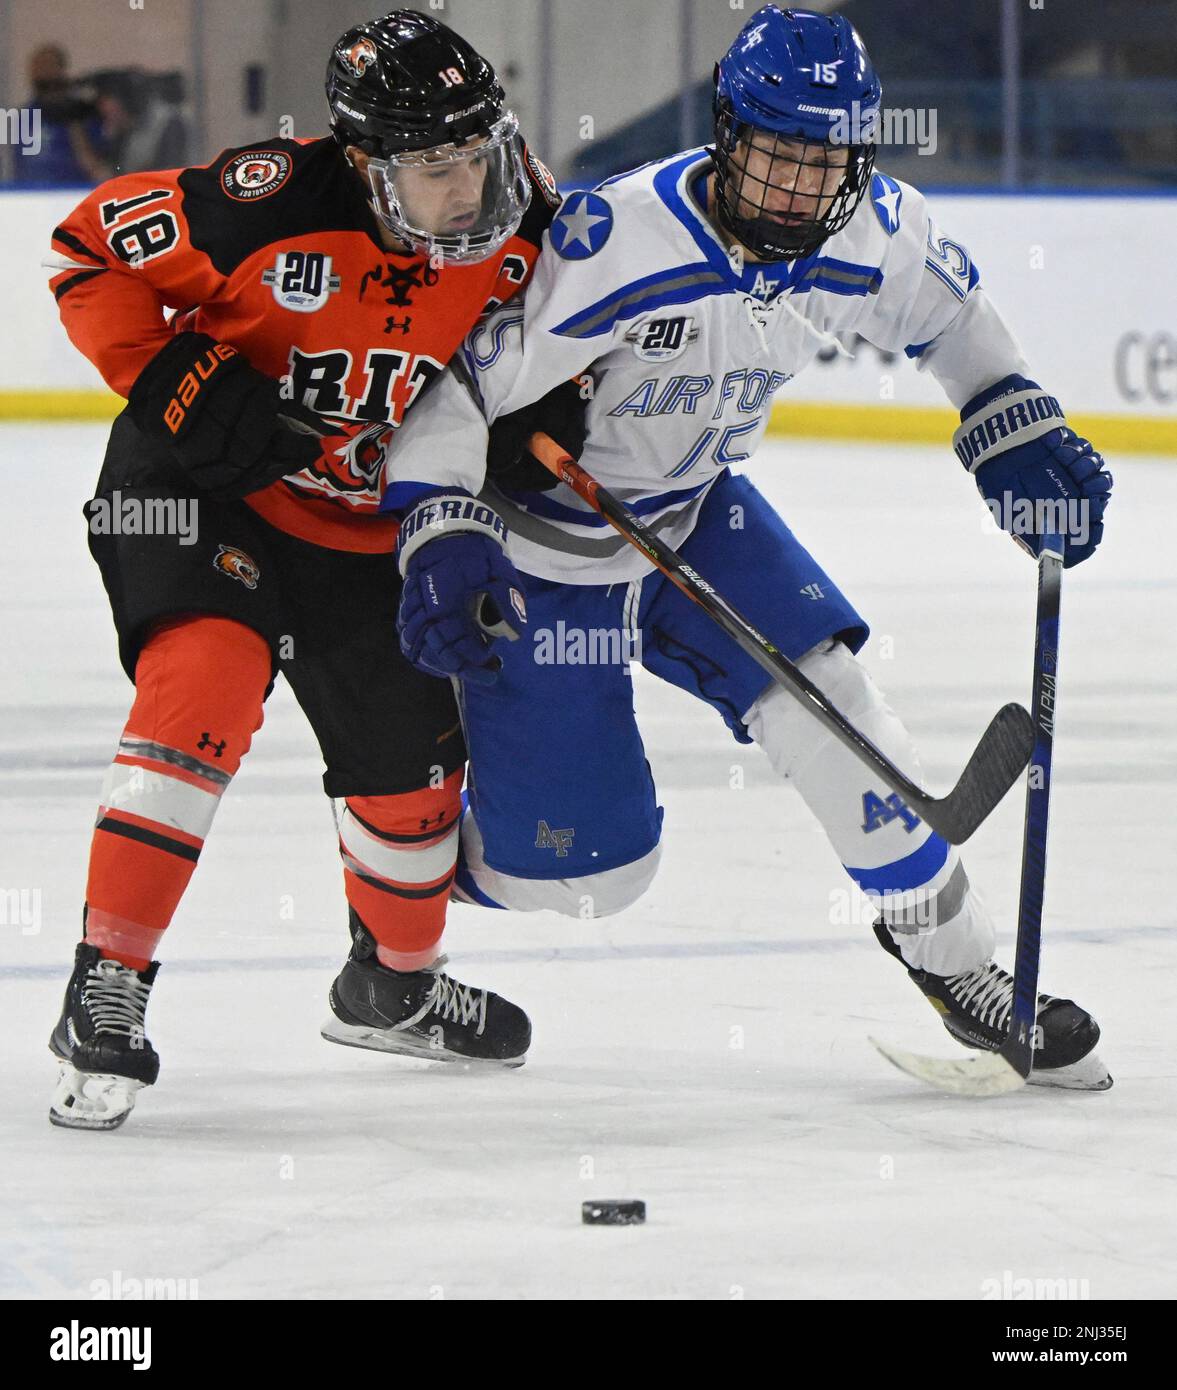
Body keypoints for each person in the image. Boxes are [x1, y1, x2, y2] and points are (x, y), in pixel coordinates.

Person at [377, 6, 1114, 1089]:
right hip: (549, 549)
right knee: (591, 880)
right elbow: (458, 387)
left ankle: (959, 970)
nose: (799, 193)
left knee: (842, 711)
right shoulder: (613, 242)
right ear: (728, 136)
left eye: (827, 165)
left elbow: (956, 325)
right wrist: (442, 521)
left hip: (697, 512)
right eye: (777, 158)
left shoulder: (870, 228)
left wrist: (1013, 424)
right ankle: (394, 863)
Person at [44, 10, 560, 1130]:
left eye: (474, 150)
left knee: (413, 793)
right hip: (203, 482)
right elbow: (86, 245)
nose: (465, 185)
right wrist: (181, 380)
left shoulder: (528, 217)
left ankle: (392, 987)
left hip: (362, 524)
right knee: (205, 680)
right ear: (366, 163)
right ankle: (108, 982)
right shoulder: (264, 202)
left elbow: (563, 353)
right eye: (432, 165)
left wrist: (541, 425)